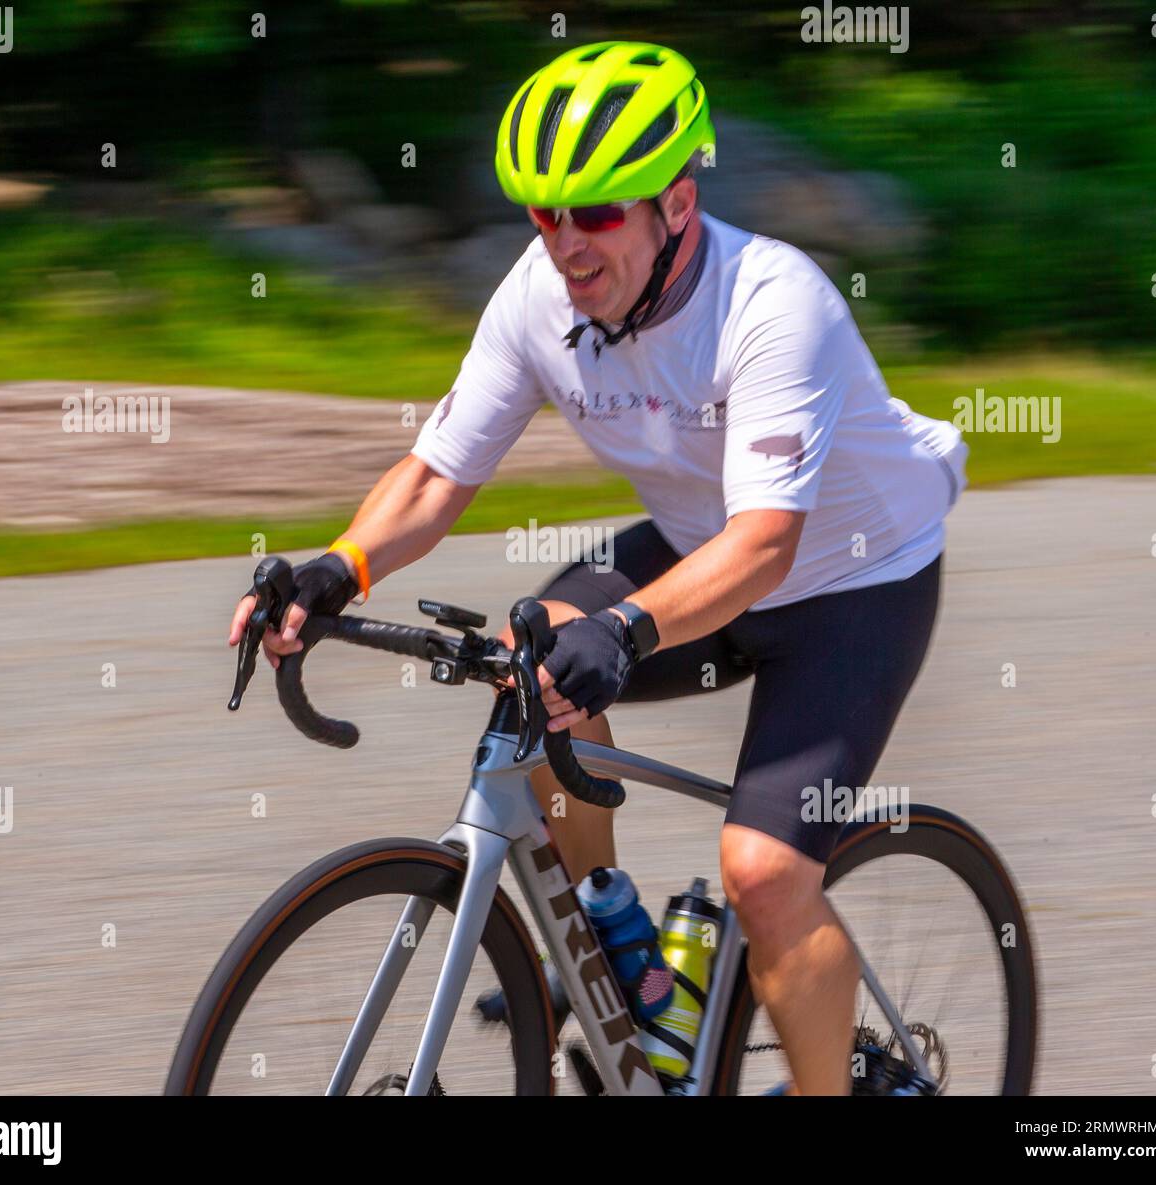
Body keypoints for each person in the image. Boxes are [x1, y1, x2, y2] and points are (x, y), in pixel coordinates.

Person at [228, 40, 967, 1096]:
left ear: (674, 201)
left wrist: (620, 634)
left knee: (762, 876)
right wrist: (338, 571)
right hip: (696, 549)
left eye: (597, 213)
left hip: (851, 578)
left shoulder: (774, 303)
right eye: (544, 214)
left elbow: (766, 544)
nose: (567, 245)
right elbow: (437, 475)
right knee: (520, 673)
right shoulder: (540, 297)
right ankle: (634, 977)